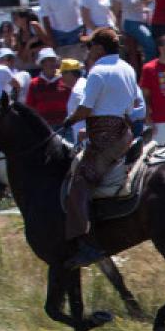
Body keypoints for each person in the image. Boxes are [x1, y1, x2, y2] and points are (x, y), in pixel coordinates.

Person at [60, 28, 141, 269]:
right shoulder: (127, 68)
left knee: (79, 182)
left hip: (106, 138)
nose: (88, 51)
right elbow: (132, 104)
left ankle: (87, 244)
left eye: (90, 46)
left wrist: (70, 121)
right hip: (124, 132)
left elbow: (86, 109)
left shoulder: (97, 71)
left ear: (99, 48)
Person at [26, 48, 73, 127]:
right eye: (48, 60)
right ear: (42, 63)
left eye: (53, 60)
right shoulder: (34, 84)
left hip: (64, 125)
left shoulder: (65, 80)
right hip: (43, 127)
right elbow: (30, 107)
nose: (52, 63)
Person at [62, 57, 87, 140]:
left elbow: (89, 110)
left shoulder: (78, 90)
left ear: (69, 73)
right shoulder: (82, 84)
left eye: (63, 74)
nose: (61, 78)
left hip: (85, 138)